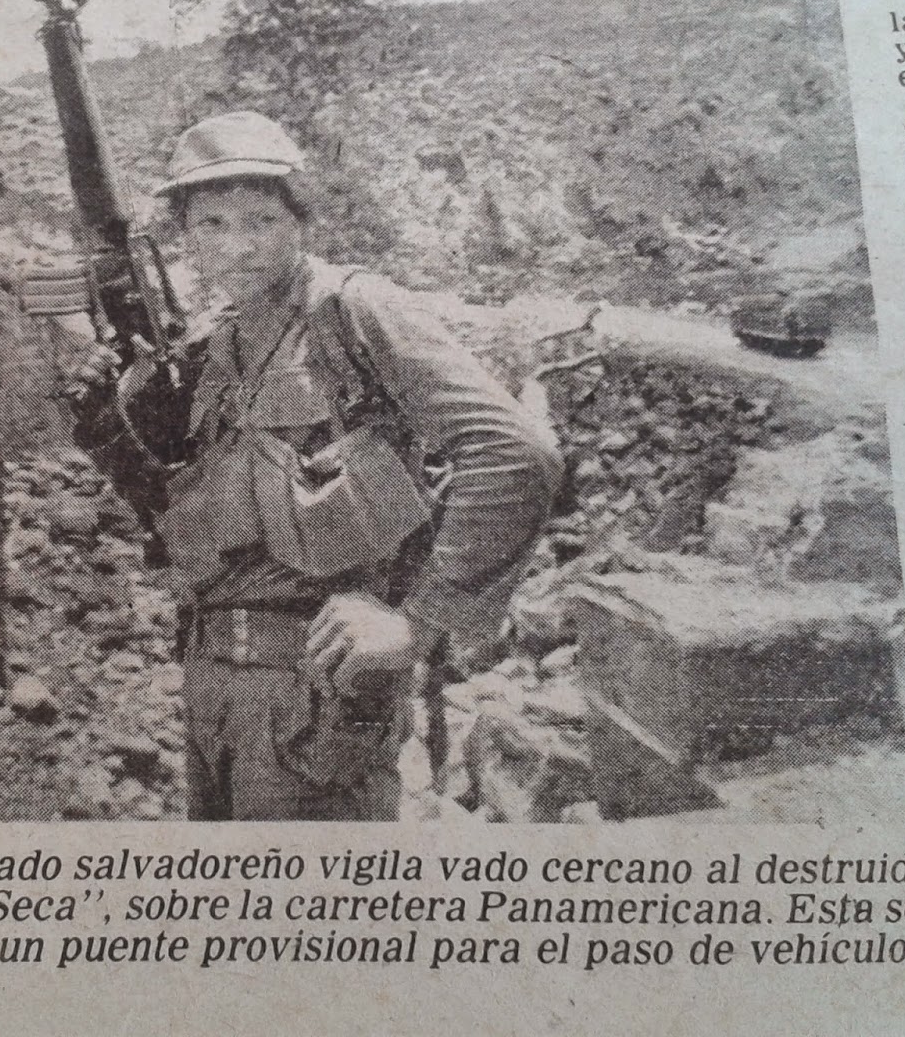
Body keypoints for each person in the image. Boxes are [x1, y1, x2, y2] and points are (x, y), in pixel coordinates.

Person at [67, 111, 562, 821]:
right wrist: (107, 428)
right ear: (184, 238)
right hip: (213, 684)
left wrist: (416, 624)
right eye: (211, 225)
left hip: (316, 692)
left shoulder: (353, 311)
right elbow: (188, 512)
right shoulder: (216, 342)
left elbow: (516, 453)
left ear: (300, 220)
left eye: (260, 220)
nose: (237, 248)